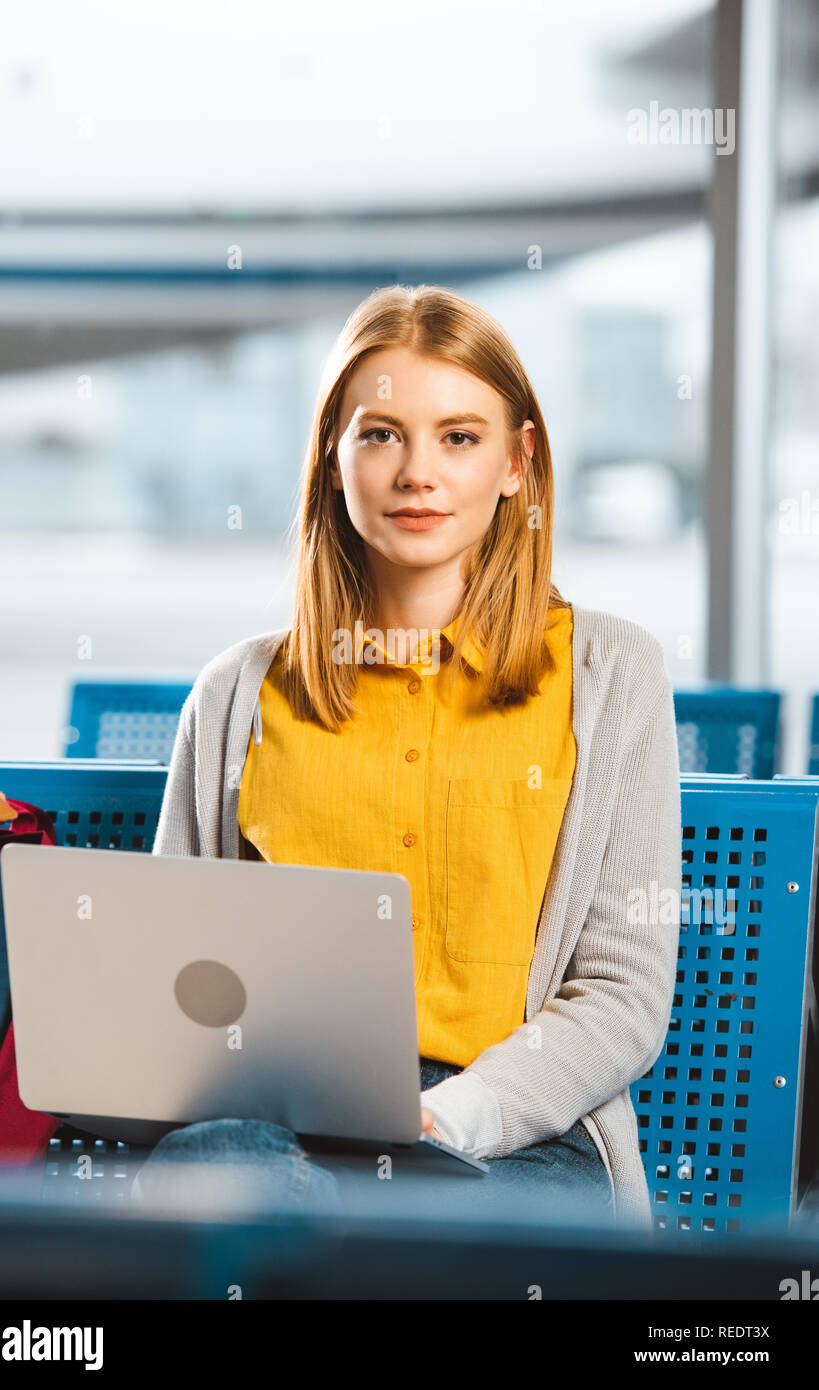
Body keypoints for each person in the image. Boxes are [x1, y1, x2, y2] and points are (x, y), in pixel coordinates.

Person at [133, 284, 682, 1231]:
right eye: (380, 434)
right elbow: (175, 978)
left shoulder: (612, 672)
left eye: (459, 438)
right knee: (226, 1178)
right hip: (273, 1124)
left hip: (517, 1134)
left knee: (387, 1244)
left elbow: (624, 996)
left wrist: (448, 1115)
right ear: (332, 462)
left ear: (518, 462)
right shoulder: (234, 692)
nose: (416, 473)